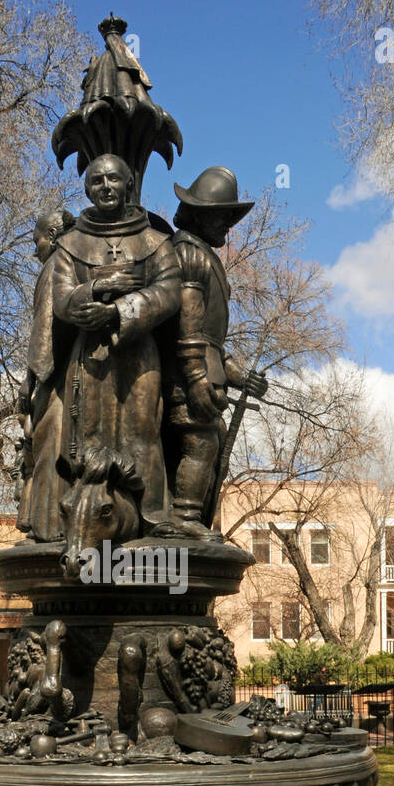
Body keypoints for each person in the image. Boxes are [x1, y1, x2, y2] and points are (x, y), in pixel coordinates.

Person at [24, 153, 181, 540]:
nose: (106, 187)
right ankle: (86, 520)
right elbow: (59, 298)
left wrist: (120, 313)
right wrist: (95, 288)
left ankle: (150, 516)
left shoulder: (156, 241)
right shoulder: (70, 245)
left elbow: (169, 291)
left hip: (137, 353)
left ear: (128, 185)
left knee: (142, 430)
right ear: (87, 189)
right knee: (90, 433)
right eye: (97, 182)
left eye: (113, 179)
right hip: (90, 357)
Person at [164, 166, 254, 541]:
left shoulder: (202, 255)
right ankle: (182, 520)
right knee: (199, 442)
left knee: (208, 443)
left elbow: (210, 337)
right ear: (200, 213)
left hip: (203, 373)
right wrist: (198, 378)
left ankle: (188, 519)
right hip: (187, 377)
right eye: (222, 216)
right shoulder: (189, 255)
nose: (227, 226)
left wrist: (231, 370)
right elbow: (187, 329)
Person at [15, 207, 75, 536]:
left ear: (51, 237)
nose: (34, 248)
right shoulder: (76, 265)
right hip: (73, 373)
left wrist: (30, 380)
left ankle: (49, 528)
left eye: (35, 240)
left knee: (51, 442)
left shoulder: (54, 267)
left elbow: (45, 328)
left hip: (58, 379)